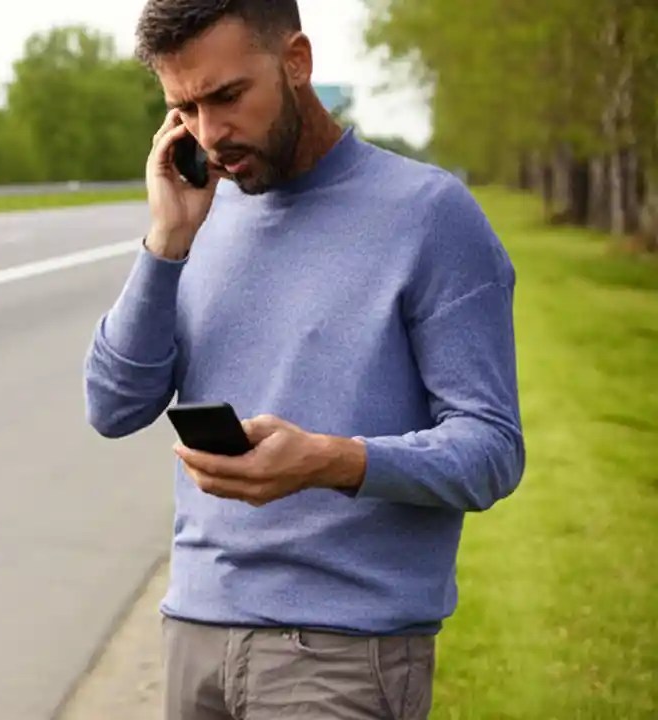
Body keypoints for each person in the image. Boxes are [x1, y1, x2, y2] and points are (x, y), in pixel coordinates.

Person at [82, 1, 525, 718]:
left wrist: (329, 459)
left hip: (343, 653)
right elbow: (111, 406)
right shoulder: (199, 211)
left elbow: (492, 450)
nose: (210, 133)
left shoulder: (429, 215)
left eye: (227, 96)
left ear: (297, 62)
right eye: (184, 108)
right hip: (194, 632)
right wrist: (166, 242)